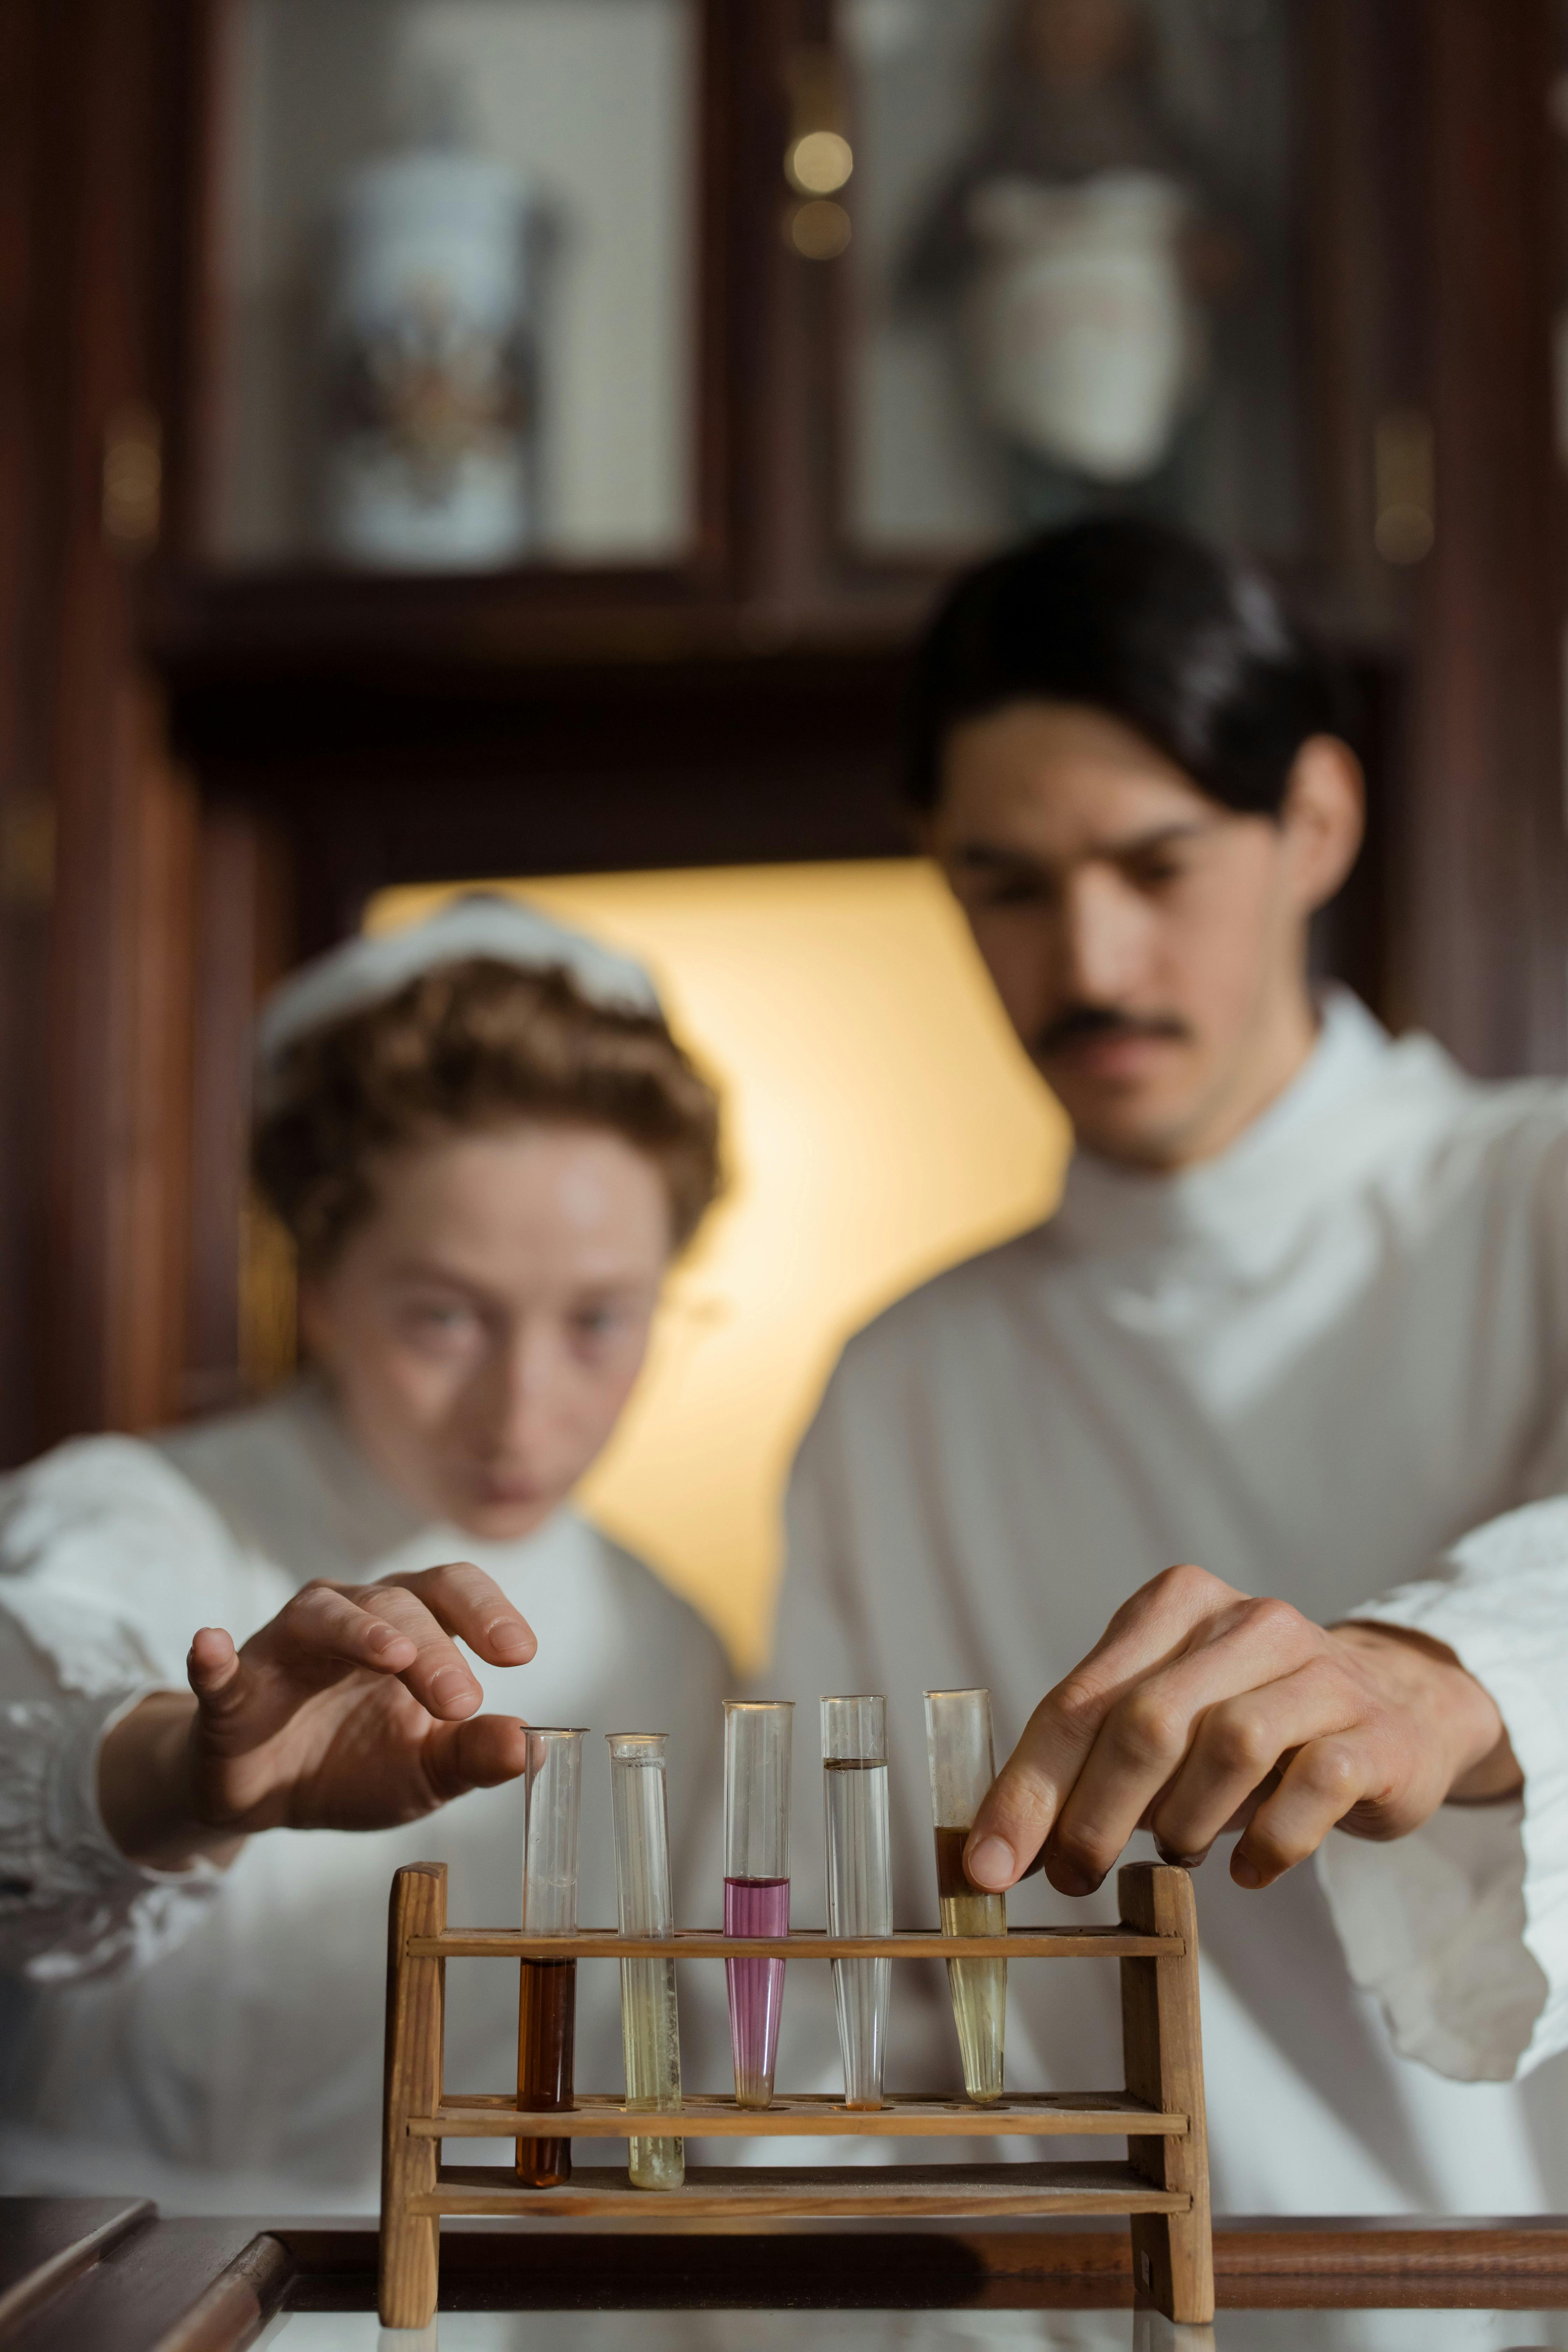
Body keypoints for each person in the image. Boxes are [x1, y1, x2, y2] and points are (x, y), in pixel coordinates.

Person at [772, 519, 1568, 2212]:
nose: (1092, 965)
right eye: (1007, 885)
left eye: (1155, 866)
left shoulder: (1536, 1195)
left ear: (1318, 824)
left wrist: (1438, 1671)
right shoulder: (895, 1392)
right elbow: (855, 2013)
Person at [0, 897, 729, 2211]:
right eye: (445, 1317)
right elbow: (36, 1729)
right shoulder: (137, 1515)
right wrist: (192, 1769)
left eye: (600, 1322)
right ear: (323, 1287)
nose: (522, 1413)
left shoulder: (664, 1636)